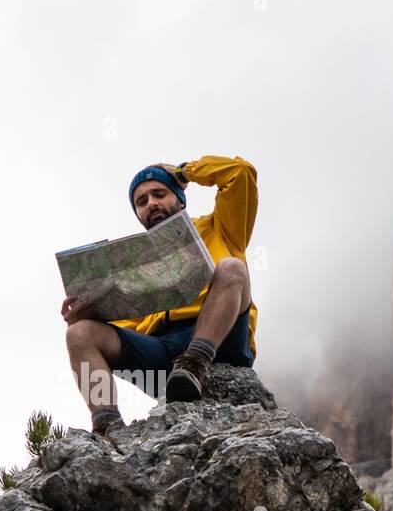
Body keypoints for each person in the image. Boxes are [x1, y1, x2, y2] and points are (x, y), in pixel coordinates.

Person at [61, 156, 259, 436]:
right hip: (162, 352)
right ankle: (107, 424)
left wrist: (184, 172)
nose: (151, 203)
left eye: (159, 194)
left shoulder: (220, 229)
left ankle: (195, 363)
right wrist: (83, 314)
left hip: (221, 340)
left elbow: (241, 173)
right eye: (141, 201)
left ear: (180, 200)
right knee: (79, 333)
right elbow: (111, 332)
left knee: (231, 268)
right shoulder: (133, 267)